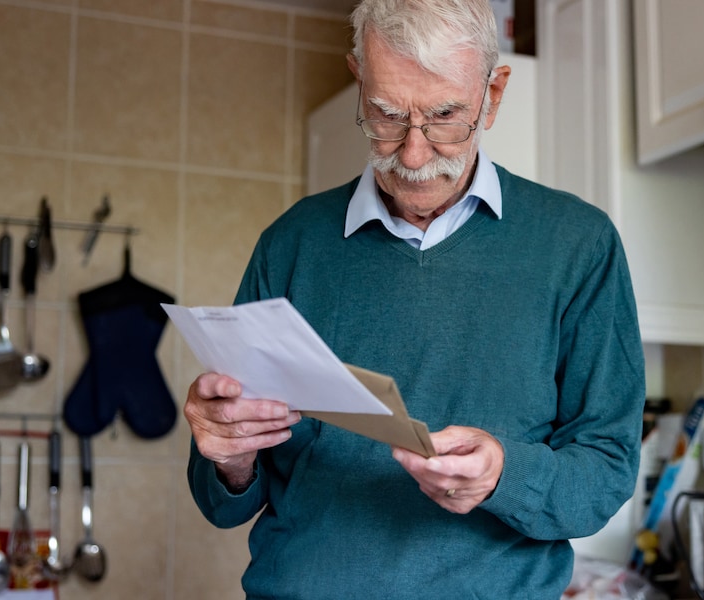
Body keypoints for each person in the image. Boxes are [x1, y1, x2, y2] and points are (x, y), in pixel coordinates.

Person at [183, 0, 645, 597]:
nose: (413, 154)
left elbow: (605, 471)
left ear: (494, 94)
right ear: (359, 80)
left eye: (446, 115)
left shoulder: (578, 245)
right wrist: (228, 454)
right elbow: (224, 501)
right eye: (386, 115)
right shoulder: (292, 243)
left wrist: (504, 475)